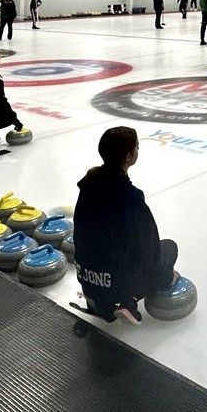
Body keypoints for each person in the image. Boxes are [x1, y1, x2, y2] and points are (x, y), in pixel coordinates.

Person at [73, 126, 179, 325]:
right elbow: (150, 249)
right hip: (117, 281)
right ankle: (127, 300)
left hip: (87, 275)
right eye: (137, 147)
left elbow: (79, 231)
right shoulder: (130, 197)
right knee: (169, 248)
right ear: (129, 157)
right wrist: (165, 273)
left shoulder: (88, 185)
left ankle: (100, 297)